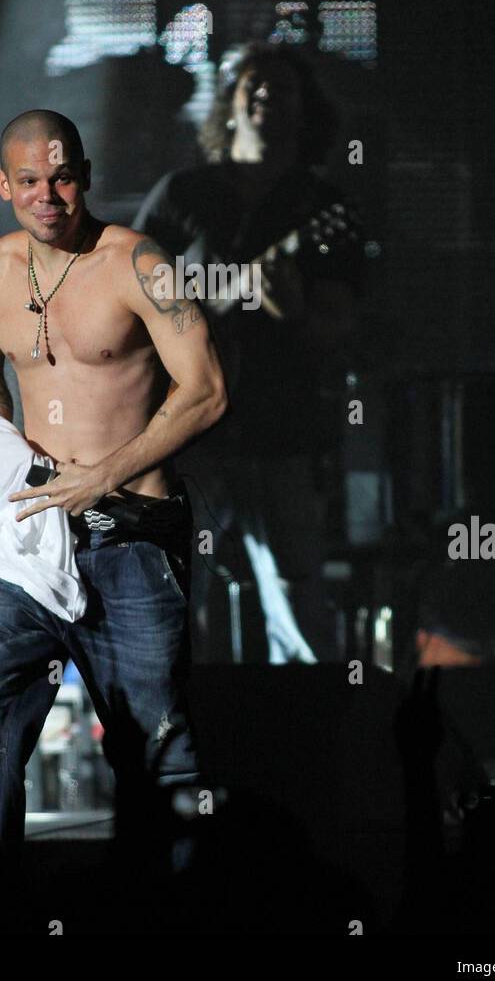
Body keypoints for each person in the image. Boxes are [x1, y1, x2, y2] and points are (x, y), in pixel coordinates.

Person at [0, 108, 227, 846]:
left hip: (131, 533)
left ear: (85, 179)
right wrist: (0, 437)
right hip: (32, 535)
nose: (49, 195)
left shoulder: (137, 263)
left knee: (158, 749)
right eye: (31, 180)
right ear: (4, 184)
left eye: (63, 177)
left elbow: (205, 391)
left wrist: (100, 477)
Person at [135, 41, 364, 663]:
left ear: (303, 111)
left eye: (283, 90)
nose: (267, 97)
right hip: (190, 431)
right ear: (231, 103)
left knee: (297, 600)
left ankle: (309, 736)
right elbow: (125, 300)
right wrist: (209, 304)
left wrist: (294, 315)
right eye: (253, 86)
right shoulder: (183, 193)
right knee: (175, 590)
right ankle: (183, 735)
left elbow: (339, 326)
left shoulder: (321, 208)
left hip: (281, 427)